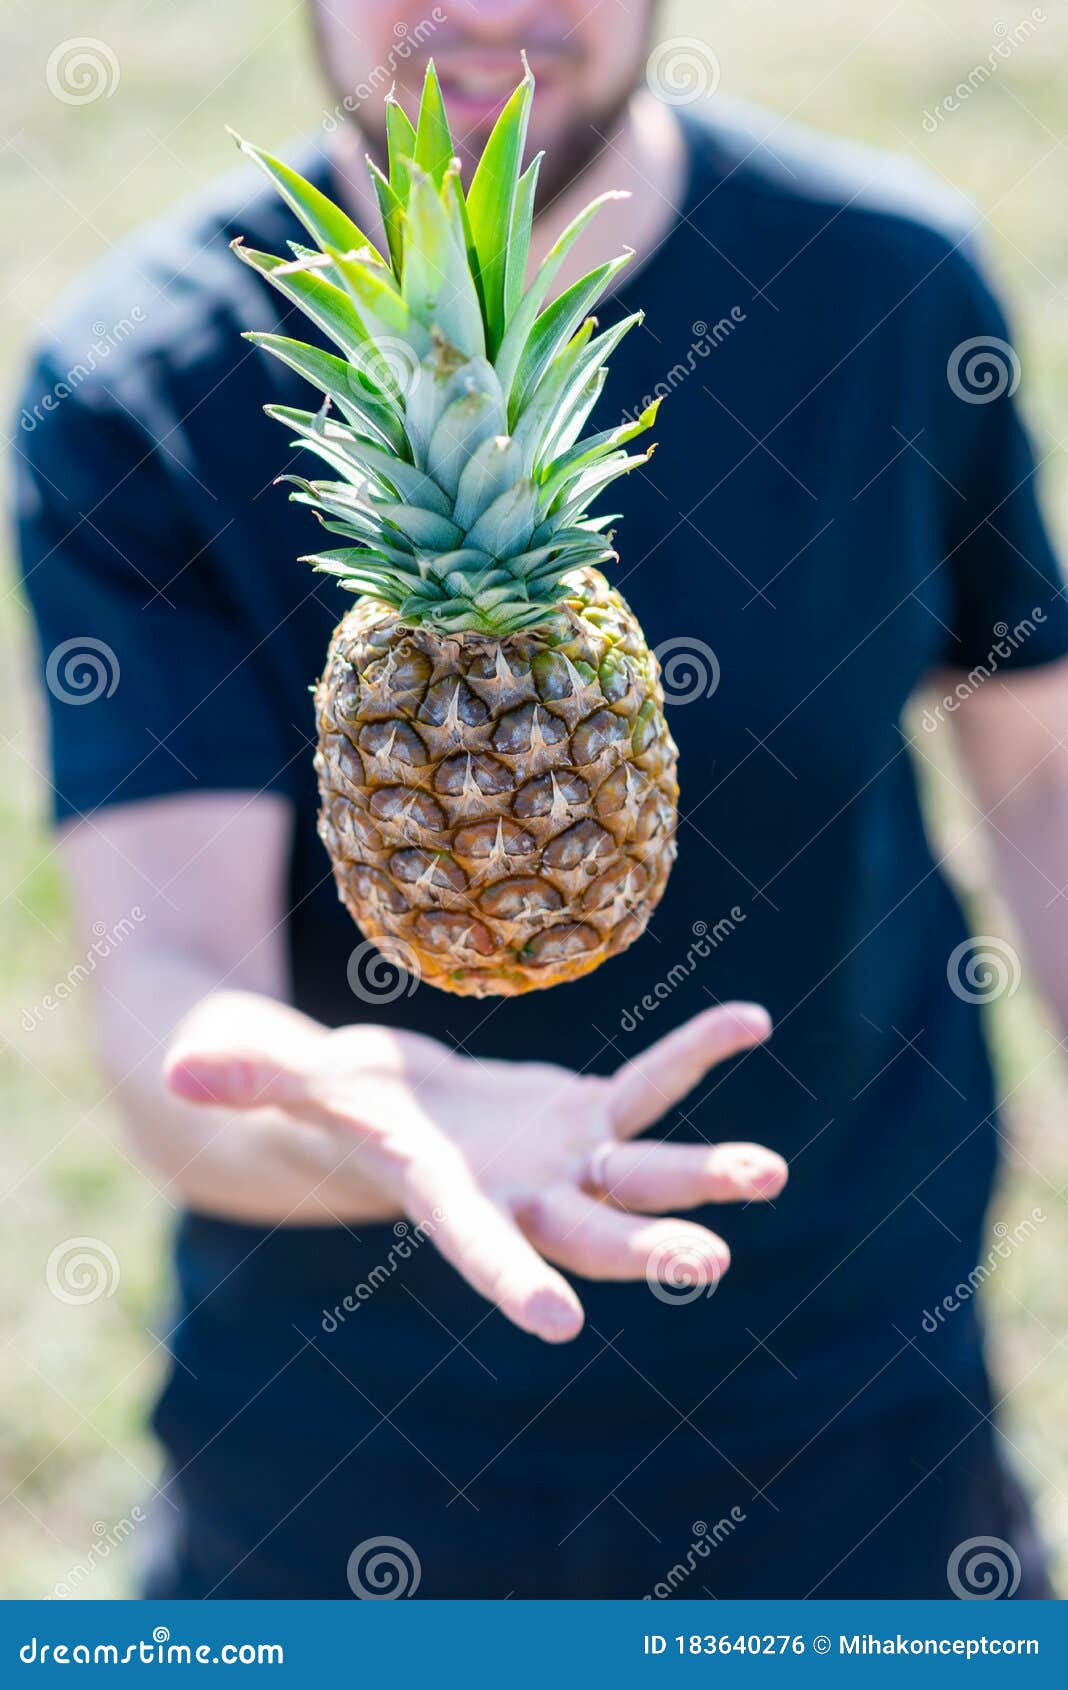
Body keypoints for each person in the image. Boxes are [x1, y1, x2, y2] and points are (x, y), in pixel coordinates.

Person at [14, 0, 1068, 1599]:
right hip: (341, 1446)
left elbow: (1042, 783)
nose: (492, 8)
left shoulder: (892, 289)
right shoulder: (132, 381)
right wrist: (357, 1113)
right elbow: (173, 984)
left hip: (849, 1410)